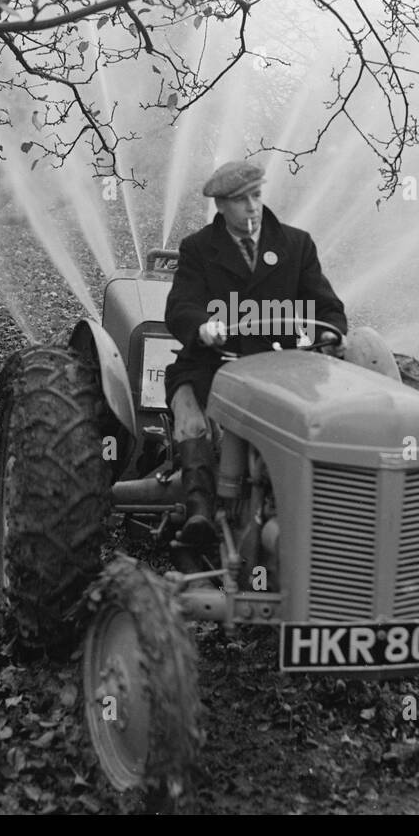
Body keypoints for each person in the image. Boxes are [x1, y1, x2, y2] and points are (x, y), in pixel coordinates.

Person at [164, 160, 348, 549]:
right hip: (214, 366)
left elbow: (327, 308)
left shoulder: (296, 246)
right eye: (240, 200)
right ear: (220, 206)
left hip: (279, 370)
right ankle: (199, 510)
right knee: (188, 407)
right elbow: (181, 306)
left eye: (256, 196)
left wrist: (334, 335)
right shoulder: (198, 249)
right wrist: (202, 327)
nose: (252, 207)